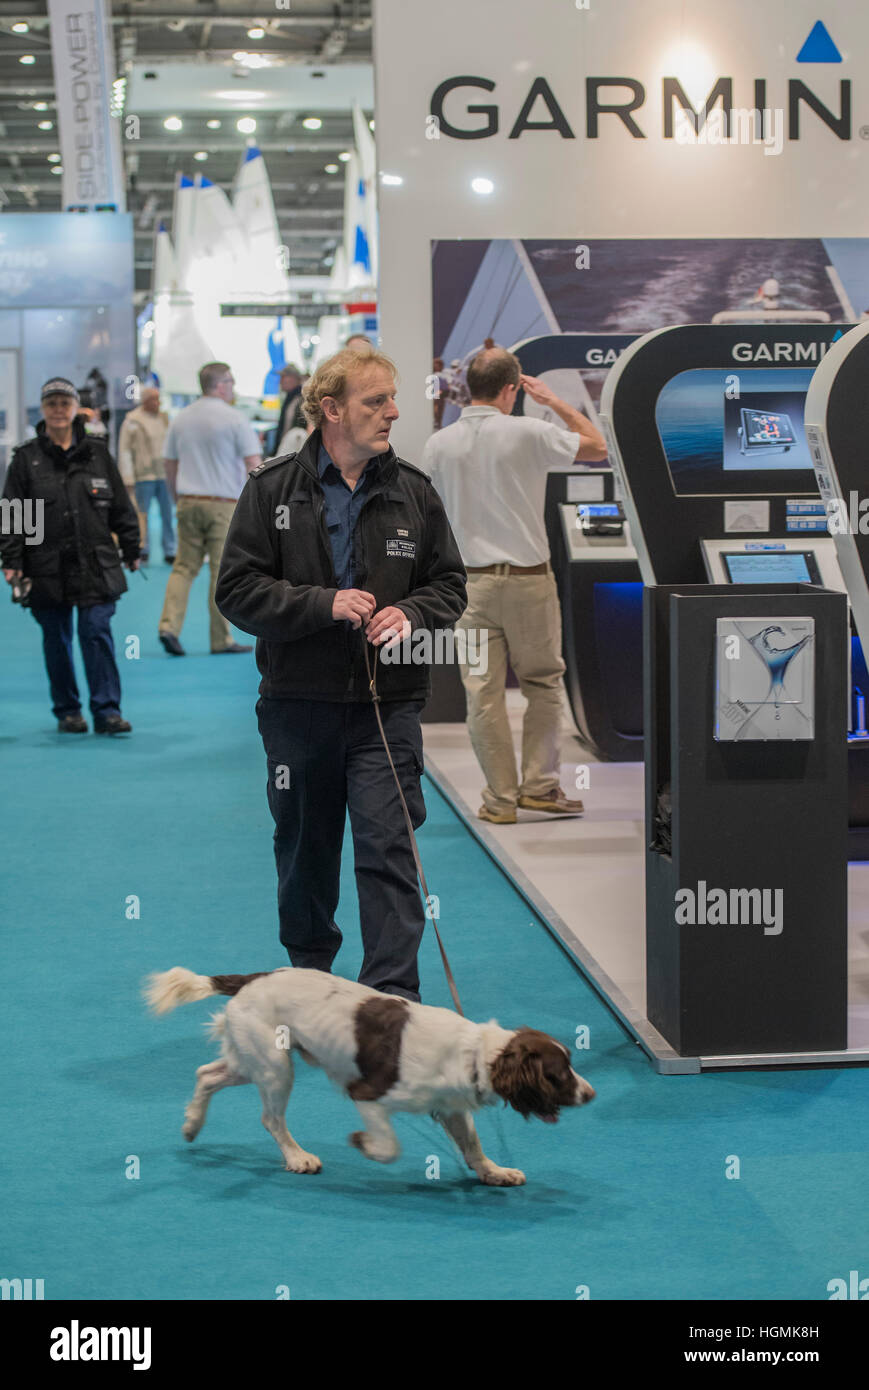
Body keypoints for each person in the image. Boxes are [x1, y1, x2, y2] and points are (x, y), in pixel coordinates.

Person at [215, 346, 467, 1002]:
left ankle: (392, 1001)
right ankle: (308, 987)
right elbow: (236, 591)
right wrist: (319, 604)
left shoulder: (412, 489)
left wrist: (413, 613)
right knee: (305, 852)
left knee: (389, 850)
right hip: (298, 706)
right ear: (330, 409)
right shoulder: (270, 490)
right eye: (374, 400)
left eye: (391, 397)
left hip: (390, 708)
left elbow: (449, 584)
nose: (393, 411)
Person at [421, 346, 607, 824]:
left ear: (467, 389)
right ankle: (540, 788)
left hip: (469, 588)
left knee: (482, 694)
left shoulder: (438, 444)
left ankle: (499, 802)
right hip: (527, 584)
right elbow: (596, 446)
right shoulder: (529, 430)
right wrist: (555, 402)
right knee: (543, 683)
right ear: (511, 389)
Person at [0, 377, 140, 734]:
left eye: (65, 403)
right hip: (45, 565)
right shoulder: (26, 459)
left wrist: (131, 546)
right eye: (52, 404)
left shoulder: (98, 454)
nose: (59, 410)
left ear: (76, 408)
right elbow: (14, 514)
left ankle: (107, 711)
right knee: (56, 639)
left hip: (95, 562)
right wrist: (12, 561)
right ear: (43, 410)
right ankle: (67, 711)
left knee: (96, 631)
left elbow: (121, 507)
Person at [157, 361, 262, 657]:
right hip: (223, 505)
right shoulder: (235, 419)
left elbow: (169, 463)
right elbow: (253, 463)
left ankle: (168, 626)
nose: (233, 387)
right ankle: (221, 639)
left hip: (188, 500)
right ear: (220, 385)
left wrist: (177, 496)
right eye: (230, 381)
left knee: (183, 568)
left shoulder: (181, 418)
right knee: (221, 572)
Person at [118, 386, 175, 564]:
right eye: (153, 399)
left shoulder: (165, 419)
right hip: (143, 476)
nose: (157, 403)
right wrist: (127, 477)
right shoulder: (132, 421)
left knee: (167, 514)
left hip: (163, 474)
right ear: (144, 401)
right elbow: (124, 450)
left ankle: (170, 549)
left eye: (158, 399)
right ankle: (143, 548)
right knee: (142, 514)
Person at [270, 364, 305, 455]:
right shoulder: (290, 398)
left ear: (294, 378)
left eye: (283, 377)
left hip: (293, 453)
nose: (280, 381)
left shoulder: (303, 400)